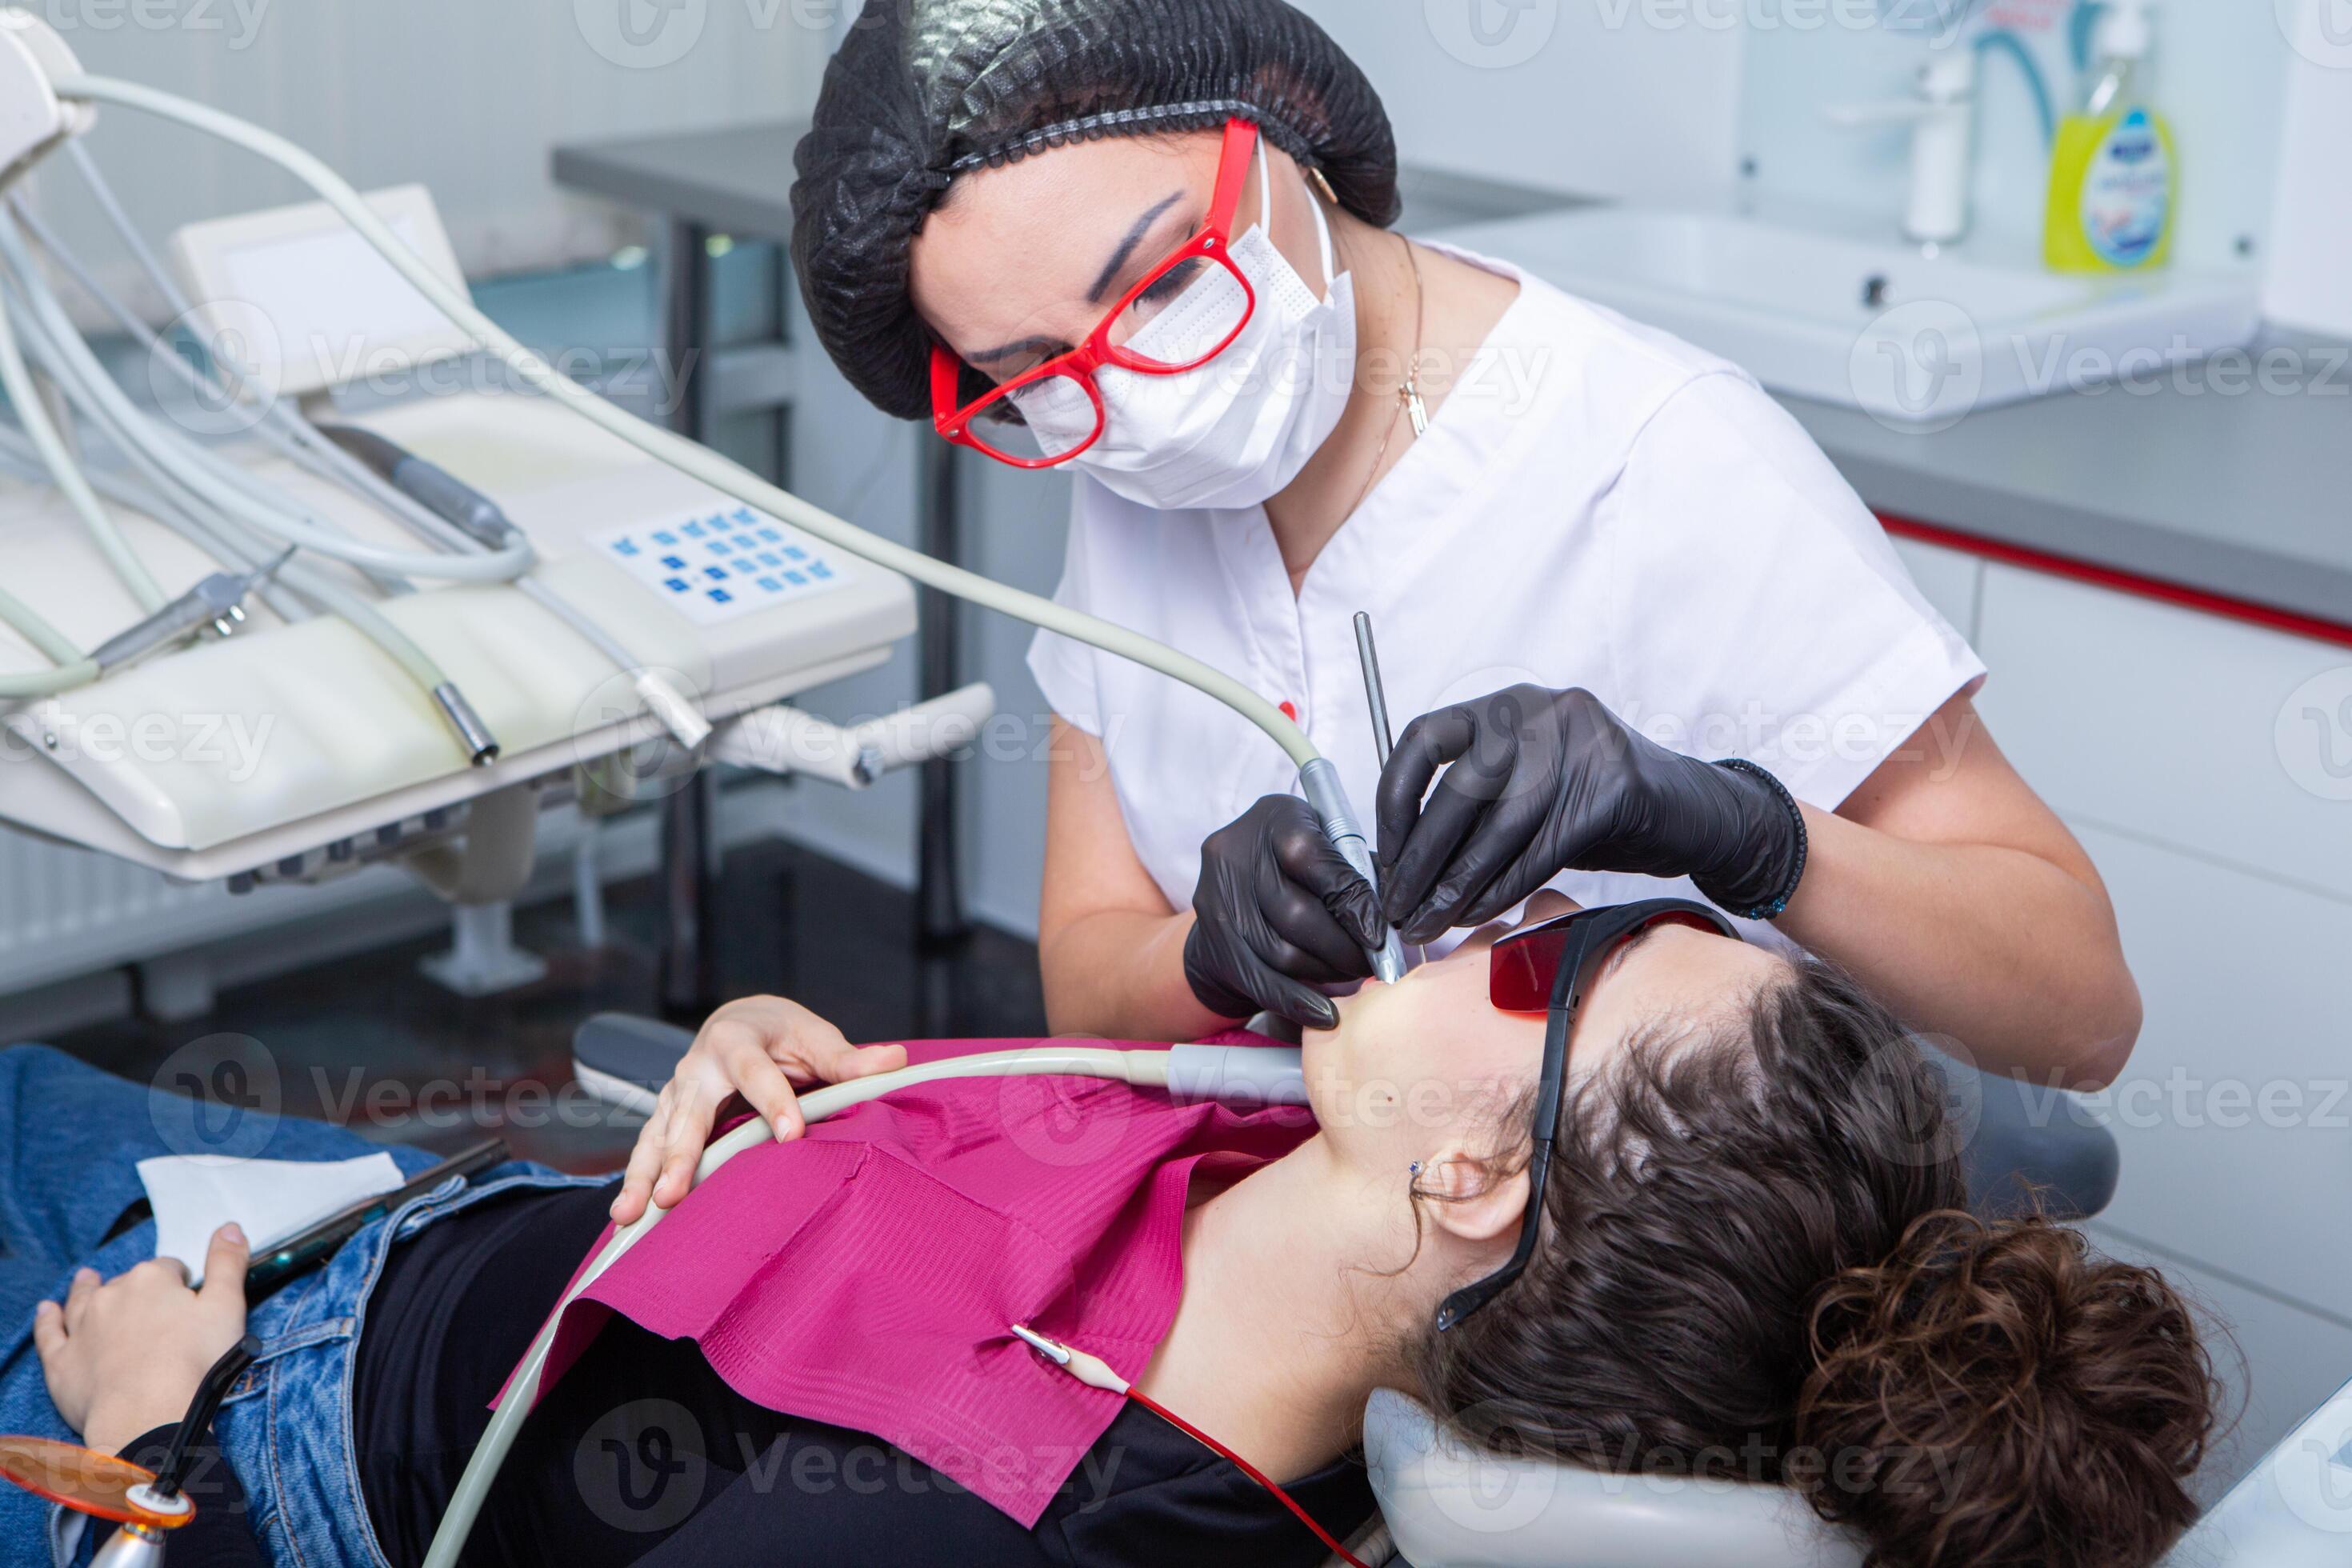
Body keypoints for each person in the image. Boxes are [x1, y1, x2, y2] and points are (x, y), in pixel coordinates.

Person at [8, 897, 2212, 1567]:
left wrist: (149, 1465)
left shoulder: (940, 1537)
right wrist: (801, 1089)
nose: (1488, 926)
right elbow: (965, 1160)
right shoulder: (1281, 1176)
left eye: (1556, 960)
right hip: (380, 1229)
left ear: (1474, 1182)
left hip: (219, 1428)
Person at [787, 0, 2141, 1083]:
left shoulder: (1659, 456)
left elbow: (2079, 1015)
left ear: (1283, 130)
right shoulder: (1130, 462)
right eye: (1031, 373)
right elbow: (1084, 975)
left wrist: (1738, 827)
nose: (1132, 387)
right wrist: (1209, 955)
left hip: (1620, 1297)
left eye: (1159, 280)